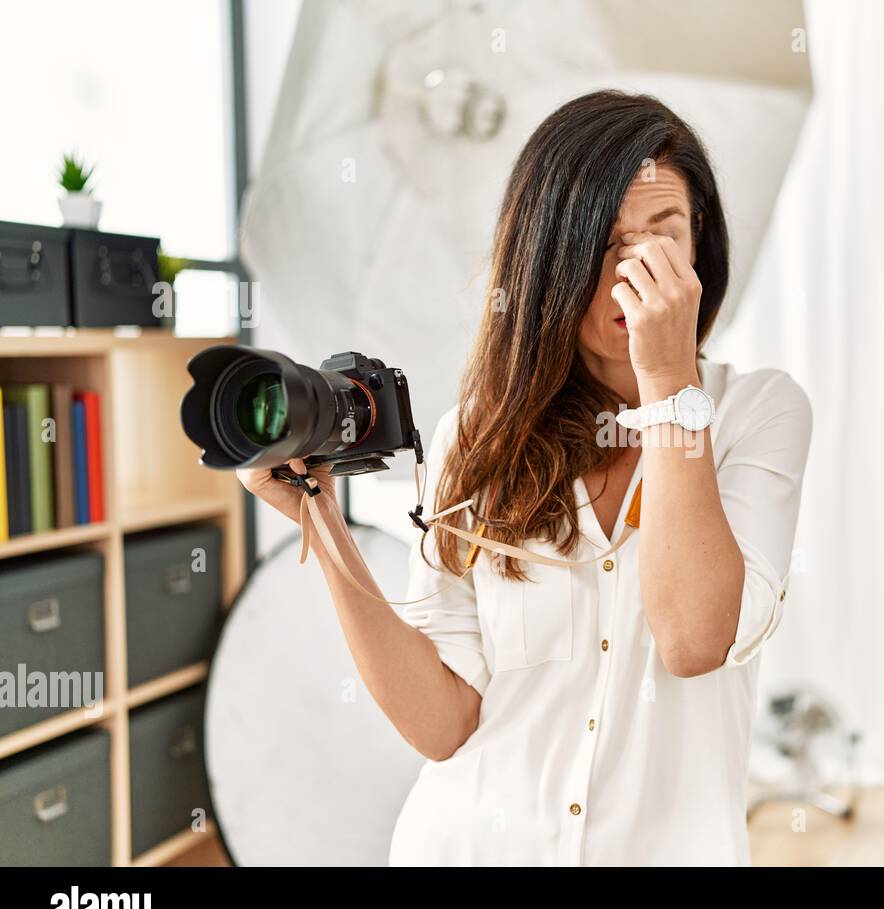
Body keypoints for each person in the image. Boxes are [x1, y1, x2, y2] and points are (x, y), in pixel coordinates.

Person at [239, 90, 812, 866]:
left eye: (664, 236)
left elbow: (692, 638)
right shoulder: (475, 436)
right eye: (606, 242)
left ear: (699, 245)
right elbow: (442, 725)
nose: (637, 270)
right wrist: (321, 524)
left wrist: (670, 381)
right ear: (551, 257)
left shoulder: (756, 413)